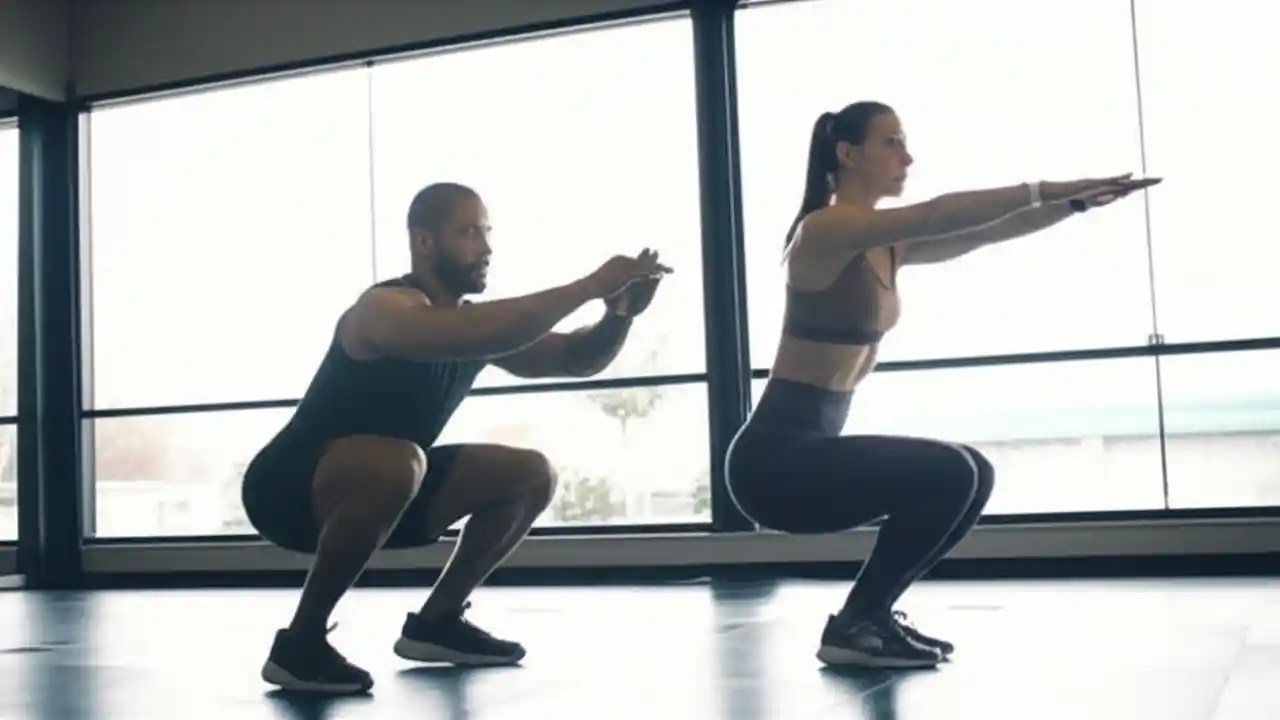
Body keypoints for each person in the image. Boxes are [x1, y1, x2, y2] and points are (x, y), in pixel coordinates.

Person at [725, 101, 1160, 670]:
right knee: (952, 471)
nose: (907, 157)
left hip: (810, 450)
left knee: (973, 471)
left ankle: (869, 617)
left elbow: (985, 230)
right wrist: (1046, 185)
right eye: (892, 143)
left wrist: (1073, 203)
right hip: (774, 465)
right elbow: (935, 214)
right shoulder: (824, 230)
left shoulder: (884, 243)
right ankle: (857, 624)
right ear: (847, 153)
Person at [241, 181, 671, 694]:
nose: (486, 248)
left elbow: (576, 359)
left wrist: (617, 313)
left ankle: (437, 623)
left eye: (487, 232)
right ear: (424, 242)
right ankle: (300, 645)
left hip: (395, 487)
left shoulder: (471, 325)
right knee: (399, 462)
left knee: (531, 473)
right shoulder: (384, 309)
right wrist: (589, 285)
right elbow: (483, 334)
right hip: (289, 490)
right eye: (469, 232)